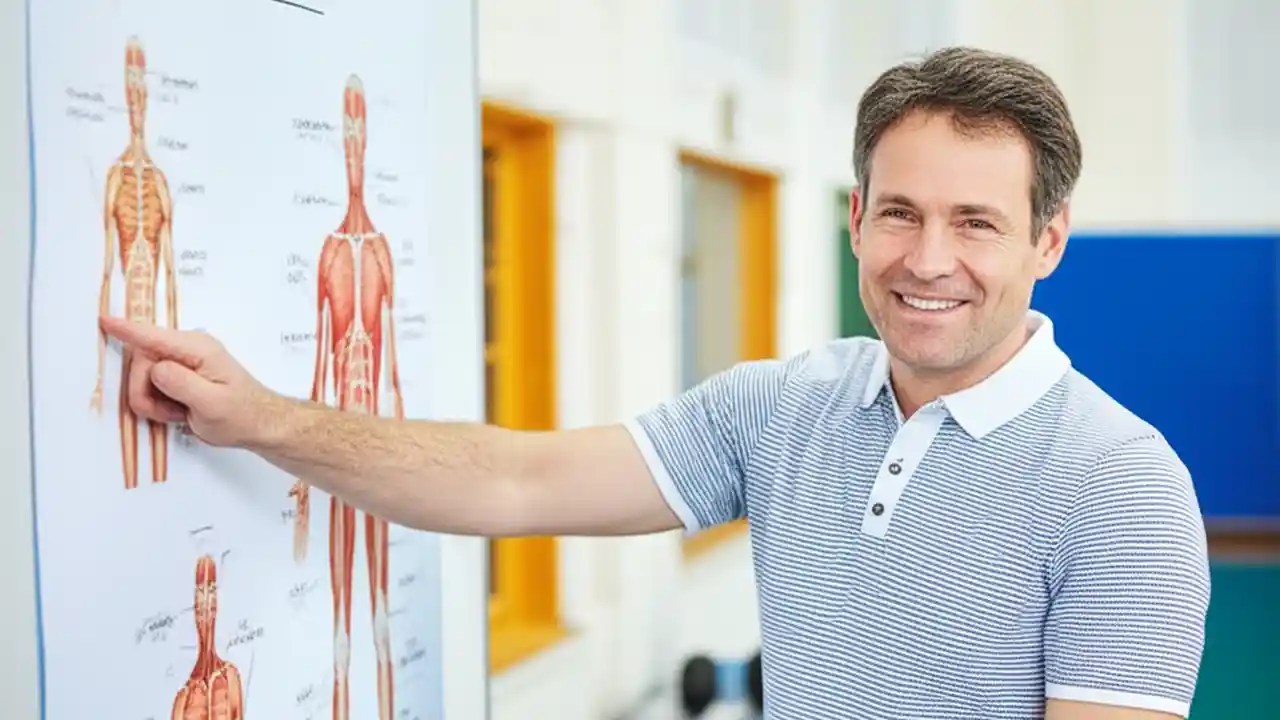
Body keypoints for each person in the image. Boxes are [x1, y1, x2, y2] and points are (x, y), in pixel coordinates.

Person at [101, 46, 1210, 719]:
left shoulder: (1119, 486)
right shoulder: (783, 407)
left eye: (975, 223)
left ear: (1048, 240)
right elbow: (516, 484)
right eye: (898, 213)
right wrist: (259, 419)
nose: (927, 259)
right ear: (852, 218)